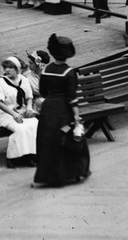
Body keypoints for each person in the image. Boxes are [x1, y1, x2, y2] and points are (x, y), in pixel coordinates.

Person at [34, 34, 90, 186]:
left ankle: (47, 175)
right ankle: (71, 173)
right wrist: (76, 115)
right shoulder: (69, 72)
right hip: (64, 109)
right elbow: (72, 96)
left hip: (48, 109)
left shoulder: (46, 70)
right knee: (66, 138)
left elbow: (42, 91)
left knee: (48, 140)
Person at [0, 56, 40, 168]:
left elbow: (29, 97)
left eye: (10, 67)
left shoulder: (24, 80)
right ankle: (13, 157)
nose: (7, 70)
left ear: (17, 69)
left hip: (21, 111)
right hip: (5, 114)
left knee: (35, 124)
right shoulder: (0, 82)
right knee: (21, 128)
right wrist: (13, 114)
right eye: (5, 68)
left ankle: (31, 155)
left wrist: (29, 108)